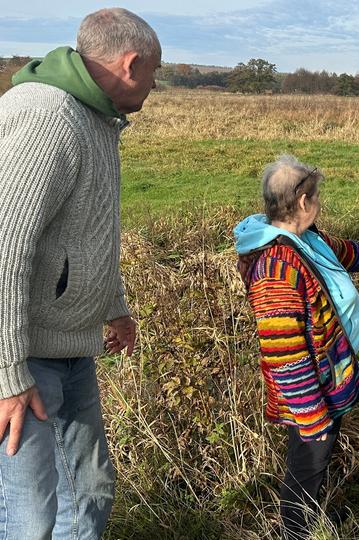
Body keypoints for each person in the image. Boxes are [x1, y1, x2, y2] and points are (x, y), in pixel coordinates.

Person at [0, 8, 160, 538]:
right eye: (155, 72)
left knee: (87, 492)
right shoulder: (48, 117)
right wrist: (7, 374)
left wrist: (113, 306)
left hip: (70, 347)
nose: (155, 86)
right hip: (22, 355)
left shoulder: (96, 118)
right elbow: (5, 245)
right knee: (29, 515)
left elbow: (87, 230)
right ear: (131, 62)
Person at [234, 155, 359, 538]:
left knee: (319, 457)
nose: (319, 202)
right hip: (307, 391)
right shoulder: (276, 270)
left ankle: (310, 518)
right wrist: (311, 417)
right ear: (303, 203)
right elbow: (285, 358)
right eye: (316, 195)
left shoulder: (307, 240)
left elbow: (344, 252)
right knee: (307, 460)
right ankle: (296, 531)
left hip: (329, 376)